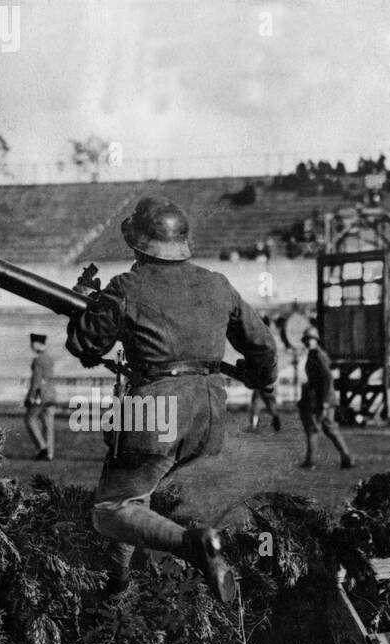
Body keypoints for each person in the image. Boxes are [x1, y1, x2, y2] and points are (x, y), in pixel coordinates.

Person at [66, 195, 278, 603]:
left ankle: (193, 546)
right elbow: (264, 347)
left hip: (155, 414)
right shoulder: (218, 283)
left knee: (111, 510)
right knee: (135, 495)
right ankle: (119, 583)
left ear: (139, 245)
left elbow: (86, 346)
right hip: (209, 417)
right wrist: (260, 378)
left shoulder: (126, 286)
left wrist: (83, 306)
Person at [298, 328, 354, 470]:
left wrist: (325, 401)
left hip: (322, 399)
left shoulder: (318, 355)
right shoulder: (314, 354)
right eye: (307, 339)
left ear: (316, 341)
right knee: (330, 429)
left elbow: (327, 378)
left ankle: (310, 462)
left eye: (311, 339)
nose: (308, 342)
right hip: (321, 398)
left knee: (313, 429)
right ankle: (347, 459)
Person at [23, 332, 55, 461]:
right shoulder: (49, 357)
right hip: (51, 393)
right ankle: (49, 453)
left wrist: (29, 397)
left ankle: (42, 447)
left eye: (32, 343)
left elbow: (36, 381)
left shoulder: (38, 359)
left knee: (29, 418)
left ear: (36, 343)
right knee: (48, 423)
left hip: (40, 395)